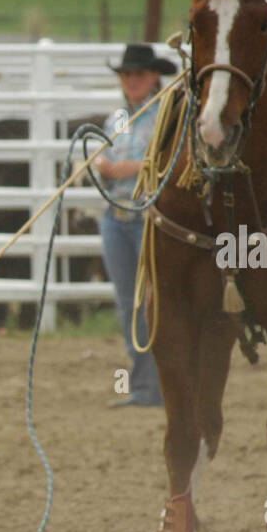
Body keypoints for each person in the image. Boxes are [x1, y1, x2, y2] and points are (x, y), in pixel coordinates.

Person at [94, 43, 175, 409]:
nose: (131, 81)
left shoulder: (167, 114)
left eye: (138, 74)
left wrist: (128, 168)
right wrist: (100, 162)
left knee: (153, 302)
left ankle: (162, 384)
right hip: (117, 215)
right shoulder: (116, 119)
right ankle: (144, 385)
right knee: (129, 303)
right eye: (127, 75)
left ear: (154, 76)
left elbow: (172, 161)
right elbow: (110, 154)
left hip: (150, 217)